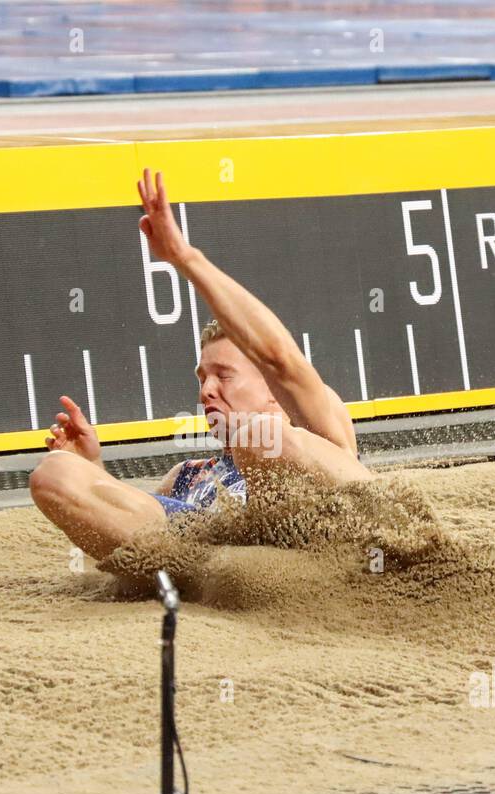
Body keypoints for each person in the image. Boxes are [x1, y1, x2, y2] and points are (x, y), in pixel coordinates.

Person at [30, 168, 372, 560]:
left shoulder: (323, 427)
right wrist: (92, 468)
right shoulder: (190, 476)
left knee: (260, 439)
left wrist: (184, 258)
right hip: (220, 558)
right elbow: (130, 523)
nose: (207, 389)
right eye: (203, 377)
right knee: (53, 473)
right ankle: (222, 574)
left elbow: (280, 359)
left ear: (274, 393)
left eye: (224, 375)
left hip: (340, 536)